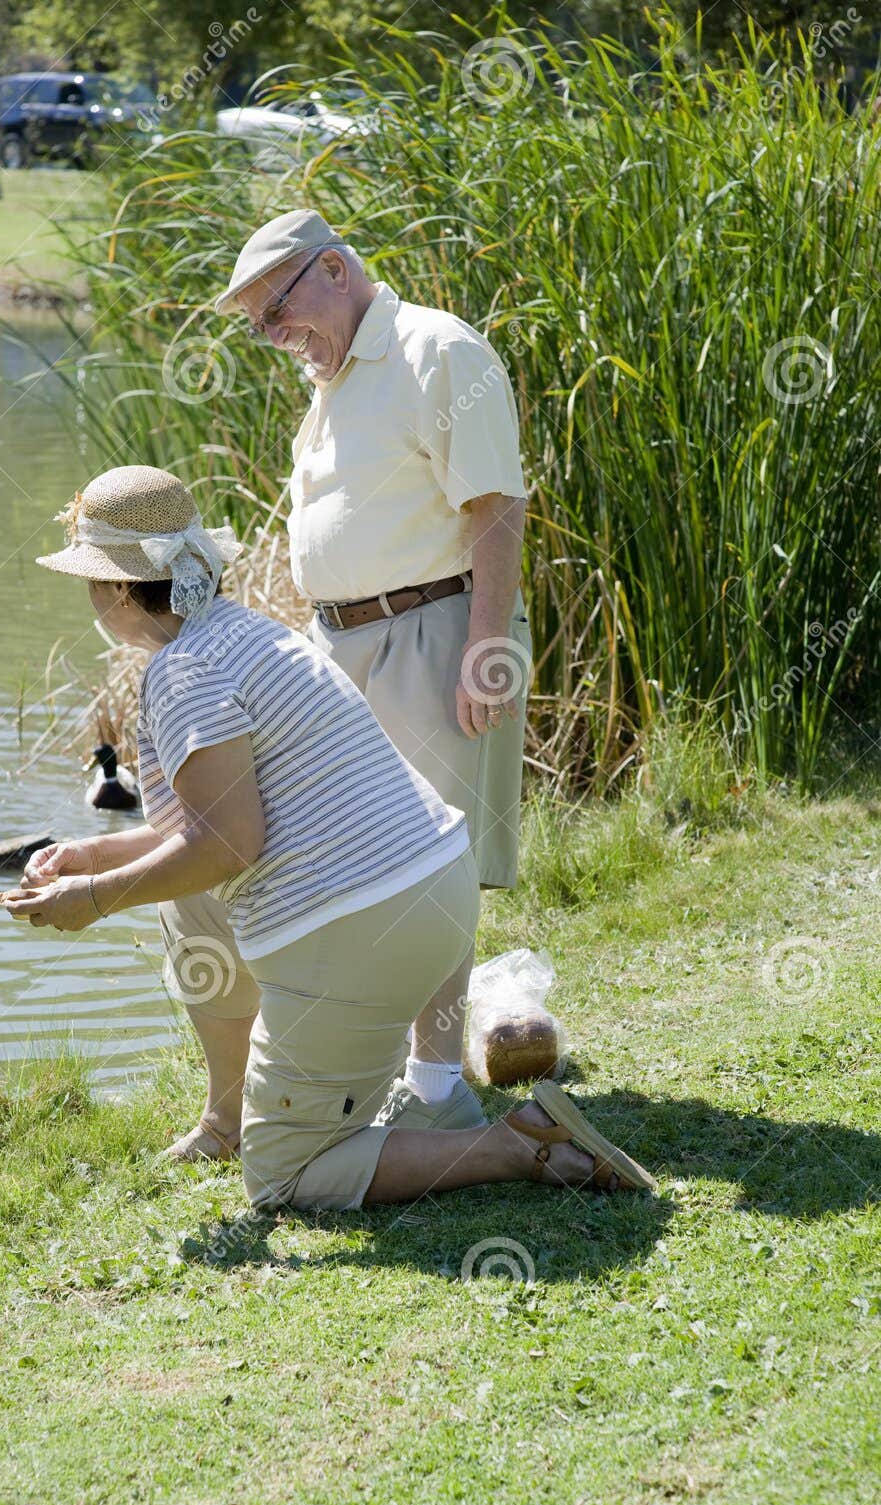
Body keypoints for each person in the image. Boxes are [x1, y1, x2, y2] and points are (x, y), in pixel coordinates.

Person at [0, 465, 656, 1211]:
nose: (86, 597)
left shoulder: (181, 674)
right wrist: (94, 855)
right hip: (434, 901)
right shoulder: (245, 632)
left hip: (361, 930)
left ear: (119, 590)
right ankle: (228, 1120)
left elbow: (230, 847)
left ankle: (520, 1145)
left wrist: (94, 899)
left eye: (89, 580)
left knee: (286, 1178)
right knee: (185, 905)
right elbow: (203, 826)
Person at [157, 209, 532, 1163]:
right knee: (338, 852)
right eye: (258, 326)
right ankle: (338, 1078)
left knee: (429, 863)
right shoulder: (332, 373)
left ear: (333, 270)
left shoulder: (434, 350)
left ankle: (440, 1093)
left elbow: (496, 503)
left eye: (276, 314)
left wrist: (484, 644)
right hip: (343, 646)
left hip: (432, 631)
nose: (272, 339)